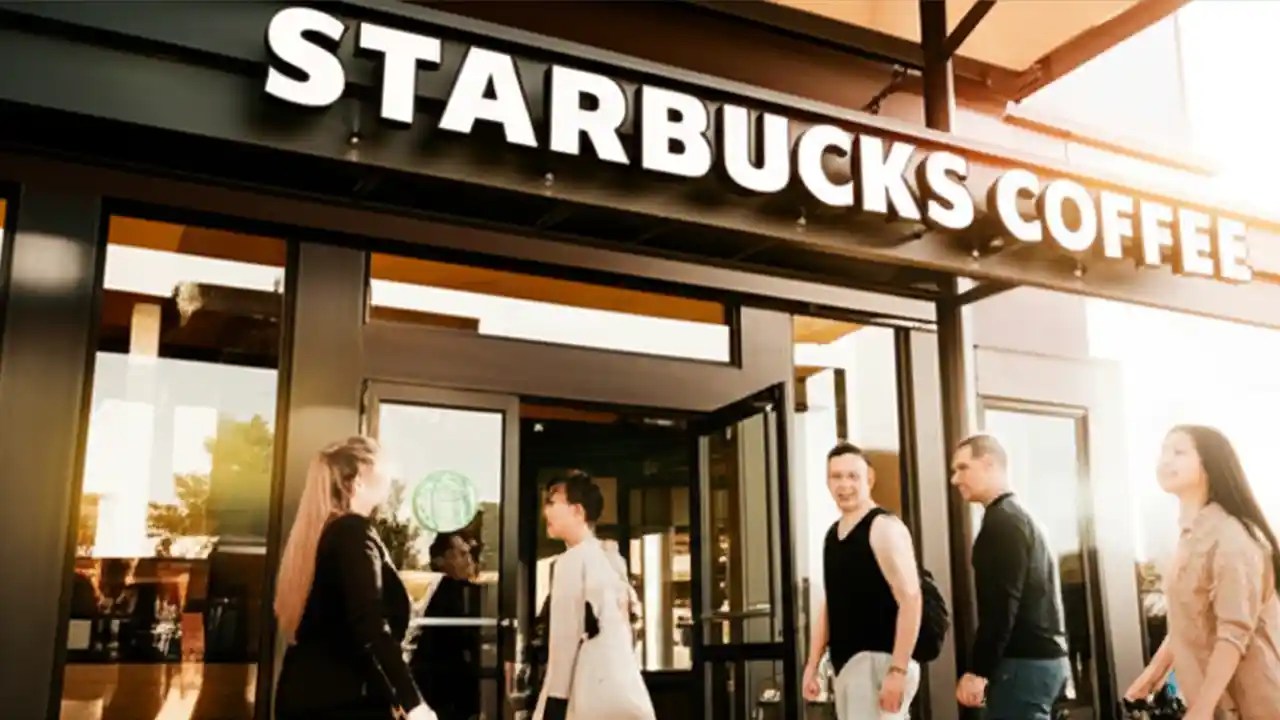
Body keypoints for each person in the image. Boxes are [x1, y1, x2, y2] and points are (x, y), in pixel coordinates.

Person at [273, 436, 437, 720]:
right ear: (358, 481)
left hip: (308, 694)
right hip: (343, 701)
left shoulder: (323, 533)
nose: (390, 481)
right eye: (384, 472)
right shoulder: (352, 532)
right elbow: (370, 623)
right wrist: (414, 703)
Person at [1123, 425, 1280, 719]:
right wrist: (1151, 676)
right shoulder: (1190, 535)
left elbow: (1234, 632)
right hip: (1215, 701)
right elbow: (1189, 620)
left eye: (1178, 452)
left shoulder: (1232, 537)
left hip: (1254, 703)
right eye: (1163, 452)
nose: (1165, 460)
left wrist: (1202, 709)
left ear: (1208, 464)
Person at [950, 434, 1068, 719]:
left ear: (989, 464)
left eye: (963, 468)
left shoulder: (1002, 522)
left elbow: (1001, 606)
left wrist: (979, 671)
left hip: (1022, 666)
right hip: (1039, 665)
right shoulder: (1020, 518)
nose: (955, 479)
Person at [802, 442, 923, 719]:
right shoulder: (833, 536)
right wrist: (812, 664)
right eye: (836, 476)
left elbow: (911, 599)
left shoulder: (883, 527)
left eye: (852, 476)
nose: (844, 485)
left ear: (869, 479)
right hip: (849, 666)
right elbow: (832, 604)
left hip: (879, 663)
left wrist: (898, 670)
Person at [533, 470, 655, 720]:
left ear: (578, 511)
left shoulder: (572, 561)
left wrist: (554, 705)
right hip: (626, 690)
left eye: (553, 502)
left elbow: (564, 641)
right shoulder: (611, 558)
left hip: (588, 694)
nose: (546, 511)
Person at [411, 532, 482, 720]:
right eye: (461, 554)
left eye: (468, 553)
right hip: (444, 693)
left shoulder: (464, 593)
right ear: (441, 561)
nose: (468, 560)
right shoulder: (447, 595)